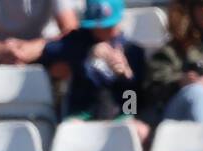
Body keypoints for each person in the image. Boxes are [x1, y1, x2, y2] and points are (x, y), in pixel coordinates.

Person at [40, 0, 150, 142]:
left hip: (118, 114)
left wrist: (126, 77)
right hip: (84, 114)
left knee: (139, 131)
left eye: (108, 26)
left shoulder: (132, 51)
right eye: (97, 26)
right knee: (69, 130)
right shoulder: (79, 41)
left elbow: (134, 105)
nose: (102, 30)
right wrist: (87, 52)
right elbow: (48, 51)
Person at [0, 0, 80, 103]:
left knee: (66, 59)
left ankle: (60, 112)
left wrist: (36, 48)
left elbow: (71, 31)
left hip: (43, 52)